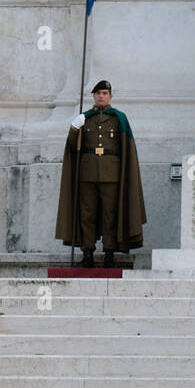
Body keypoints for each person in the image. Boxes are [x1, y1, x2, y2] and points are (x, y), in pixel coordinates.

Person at [55, 80, 146, 267]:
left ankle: (109, 253)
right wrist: (73, 128)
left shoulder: (119, 118)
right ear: (93, 96)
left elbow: (126, 149)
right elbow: (73, 147)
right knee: (87, 214)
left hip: (111, 174)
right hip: (87, 174)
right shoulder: (85, 118)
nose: (101, 96)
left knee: (109, 215)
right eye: (98, 94)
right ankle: (87, 252)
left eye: (105, 93)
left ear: (110, 96)